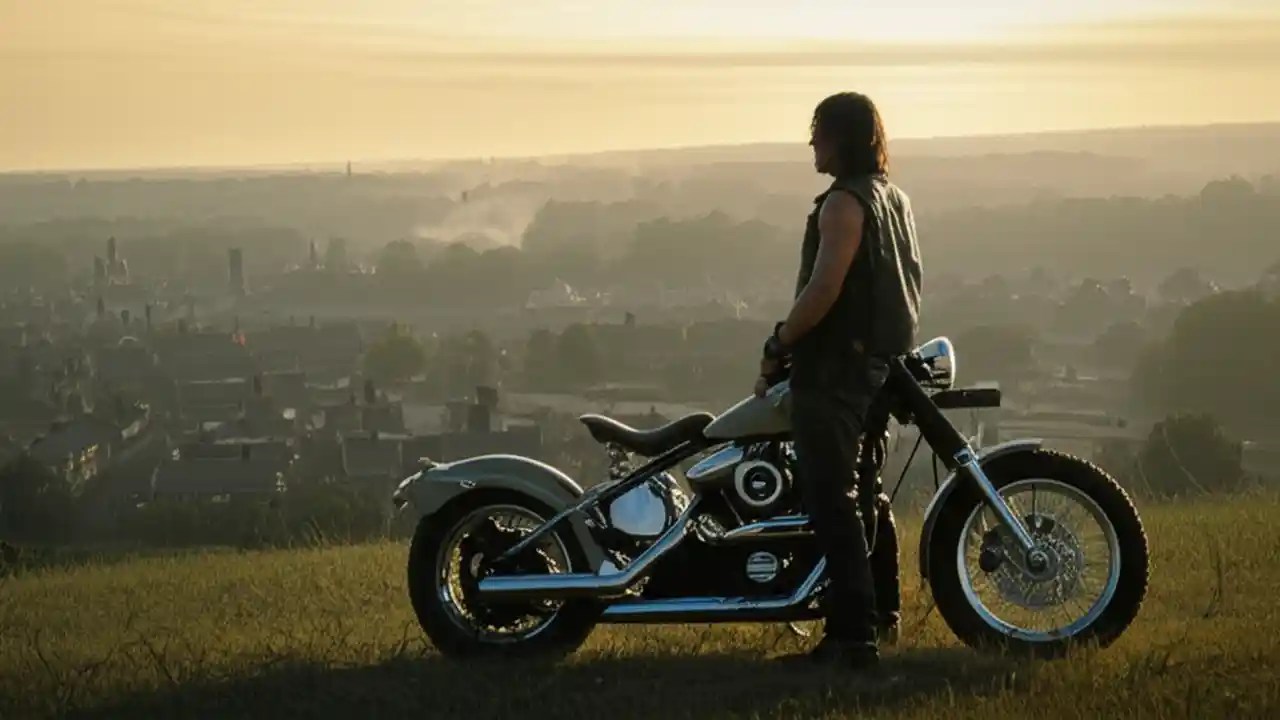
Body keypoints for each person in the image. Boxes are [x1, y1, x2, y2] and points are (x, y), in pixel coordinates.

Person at [756, 92, 922, 669]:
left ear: (842, 138)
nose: (811, 142)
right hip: (879, 367)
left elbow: (822, 290)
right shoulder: (892, 197)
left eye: (819, 131)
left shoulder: (843, 205)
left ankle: (852, 637)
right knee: (866, 492)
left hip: (835, 371)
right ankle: (881, 616)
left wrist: (780, 342)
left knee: (831, 498)